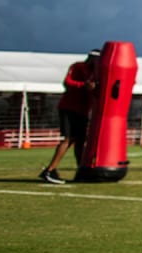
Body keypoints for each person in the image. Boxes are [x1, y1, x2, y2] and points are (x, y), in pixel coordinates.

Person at [39, 49, 100, 184]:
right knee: (68, 139)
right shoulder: (78, 67)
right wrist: (83, 85)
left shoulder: (96, 73)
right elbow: (67, 83)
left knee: (79, 142)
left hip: (83, 111)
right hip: (69, 108)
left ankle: (81, 170)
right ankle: (50, 170)